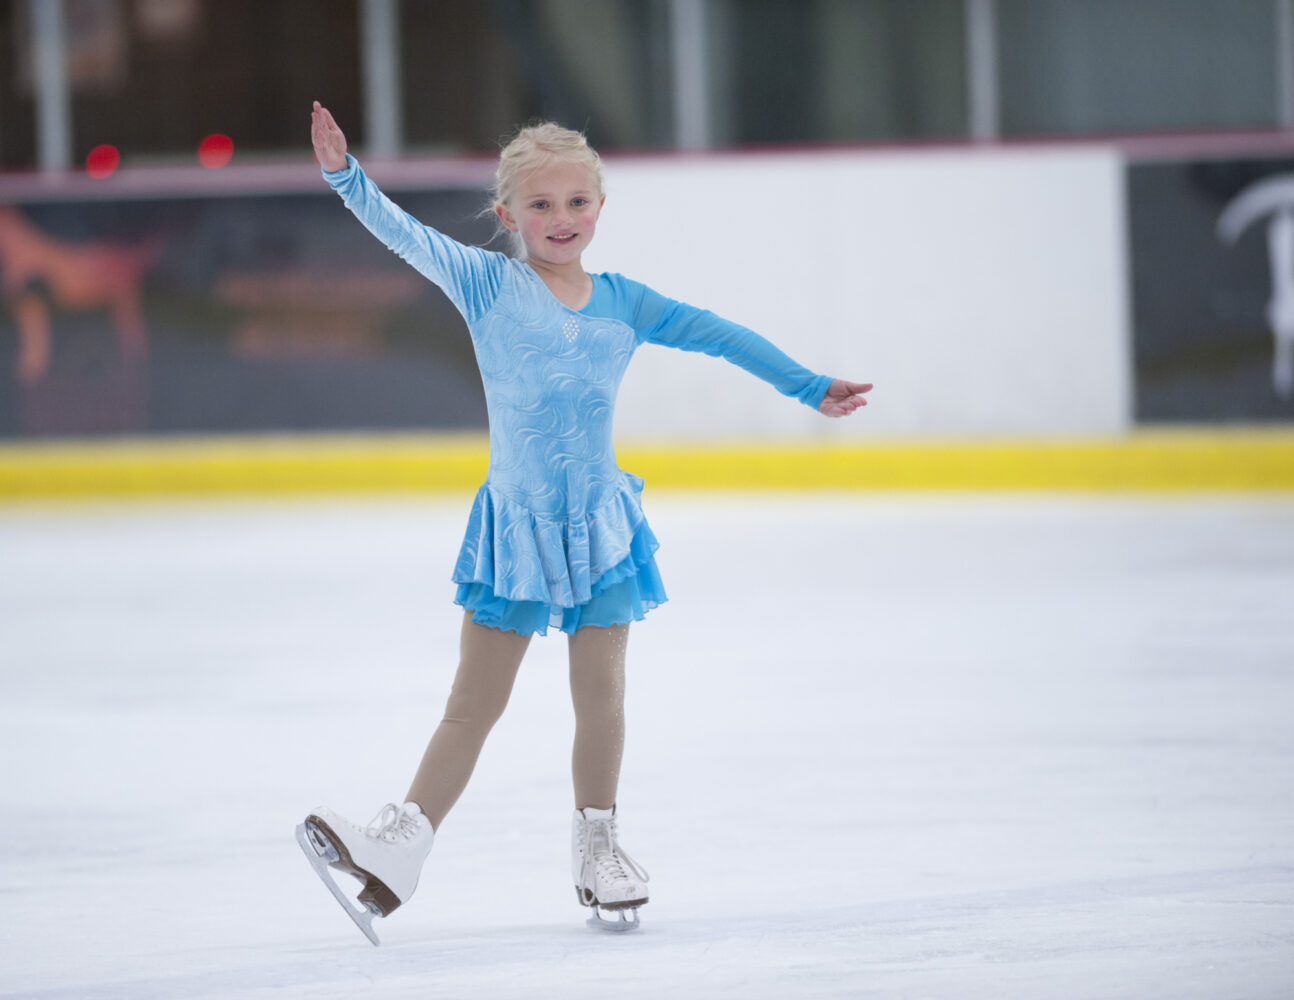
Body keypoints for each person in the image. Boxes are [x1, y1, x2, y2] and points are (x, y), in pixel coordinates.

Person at [296, 101, 873, 943]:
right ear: (507, 216)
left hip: (601, 525)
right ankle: (403, 847)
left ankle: (597, 848)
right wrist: (345, 175)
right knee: (472, 705)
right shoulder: (486, 281)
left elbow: (719, 335)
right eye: (539, 205)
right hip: (517, 528)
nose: (560, 220)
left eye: (576, 203)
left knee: (601, 699)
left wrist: (803, 384)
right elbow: (404, 235)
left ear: (599, 208)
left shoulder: (627, 302)